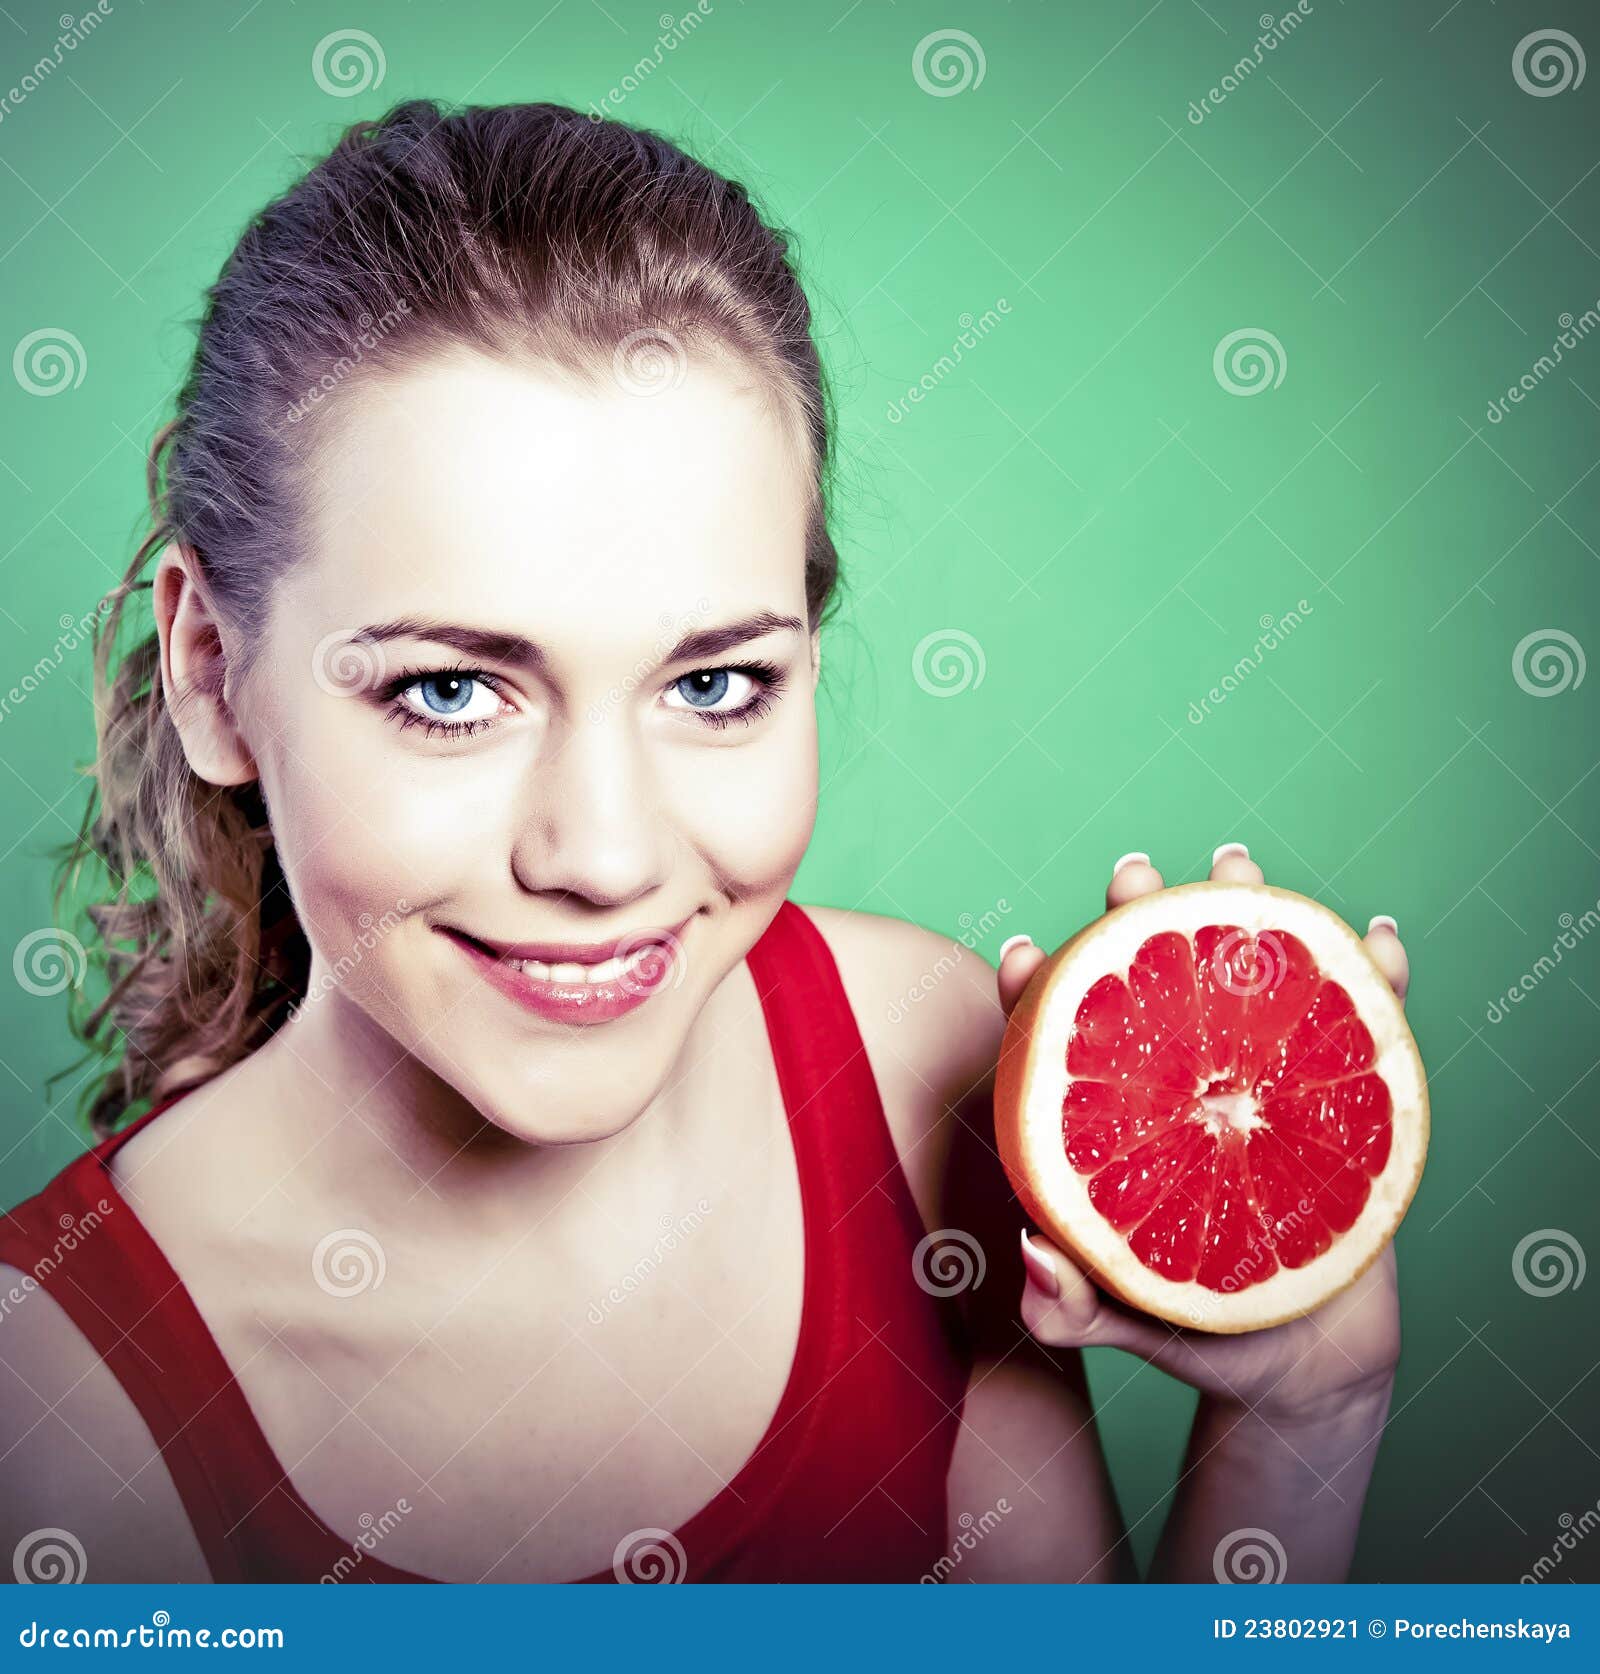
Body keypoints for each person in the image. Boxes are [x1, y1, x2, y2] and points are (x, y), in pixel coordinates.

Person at [0, 98, 1411, 1585]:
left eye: (713, 683)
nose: (604, 856)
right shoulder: (55, 1417)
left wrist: (1311, 1414)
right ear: (212, 672)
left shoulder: (919, 1066)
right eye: (452, 691)